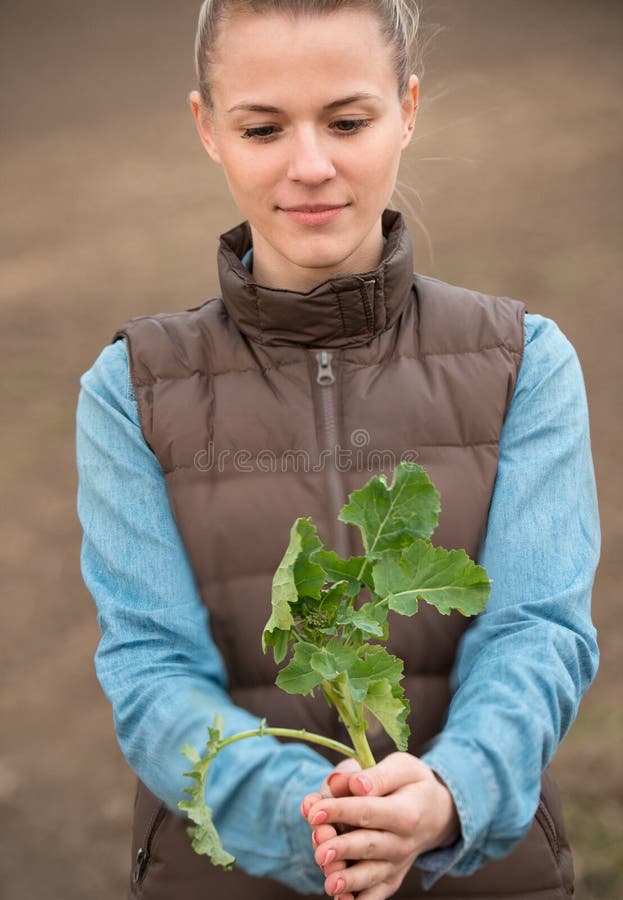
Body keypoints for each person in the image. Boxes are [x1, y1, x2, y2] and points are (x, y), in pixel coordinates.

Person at [75, 1, 600, 898]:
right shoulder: (130, 389)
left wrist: (448, 794)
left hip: (483, 871)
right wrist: (320, 822)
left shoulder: (524, 362)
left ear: (408, 107)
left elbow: (537, 632)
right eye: (263, 127)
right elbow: (151, 669)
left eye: (348, 121)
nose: (309, 165)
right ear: (208, 127)